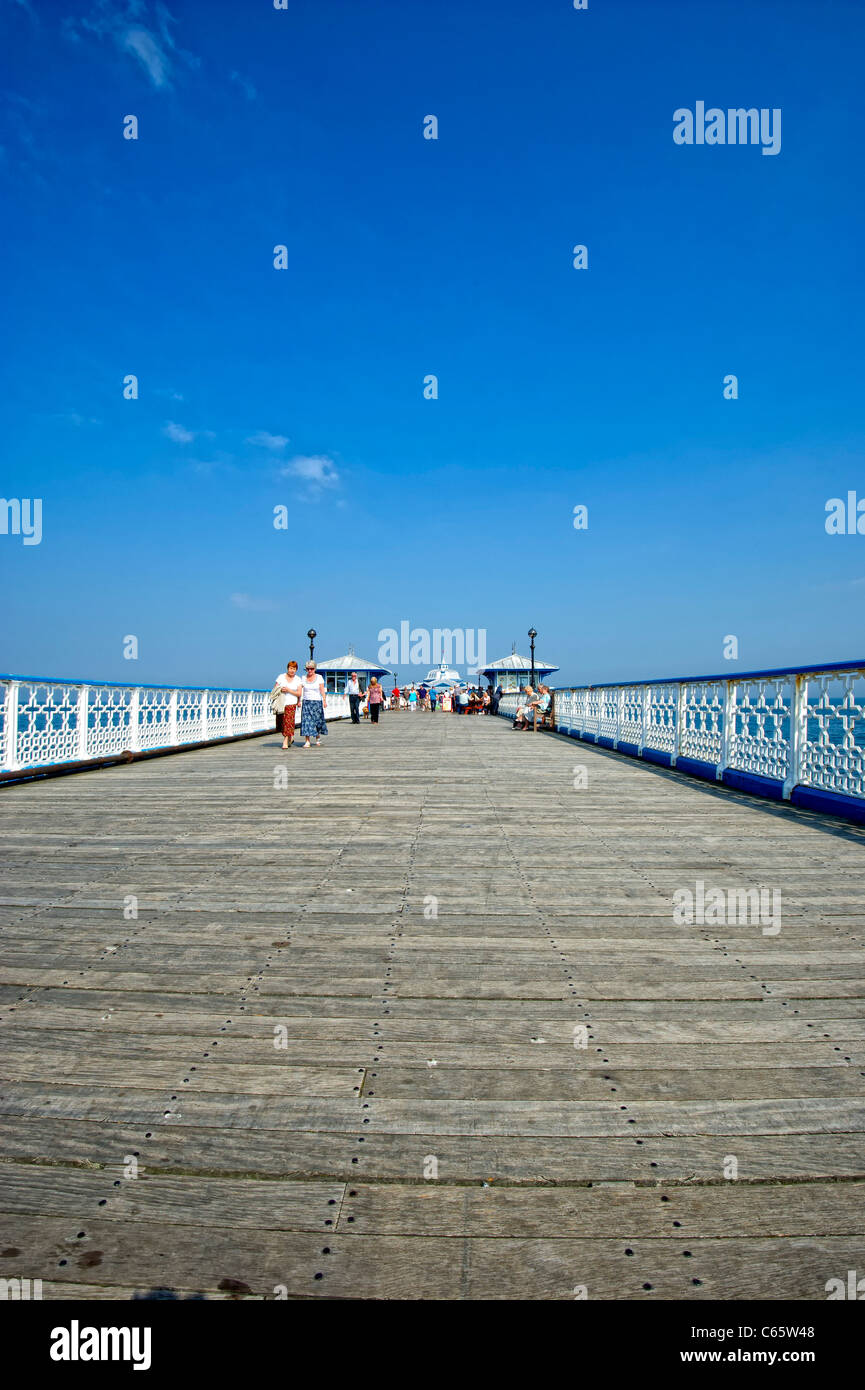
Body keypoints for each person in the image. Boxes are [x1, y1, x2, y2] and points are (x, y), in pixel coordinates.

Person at [271, 660, 302, 748]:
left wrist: (289, 690)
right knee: (282, 723)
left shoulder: (298, 679)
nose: (292, 670)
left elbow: (299, 693)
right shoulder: (281, 677)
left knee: (288, 722)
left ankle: (285, 741)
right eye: (291, 668)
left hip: (291, 703)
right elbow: (275, 689)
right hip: (281, 703)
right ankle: (290, 737)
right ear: (287, 668)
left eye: (294, 669)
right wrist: (280, 689)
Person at [300, 660, 327, 748]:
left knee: (317, 721)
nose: (310, 671)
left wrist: (324, 700)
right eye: (308, 669)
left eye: (311, 669)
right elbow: (300, 690)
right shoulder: (303, 678)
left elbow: (322, 690)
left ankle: (317, 737)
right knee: (306, 722)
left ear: (315, 669)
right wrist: (298, 701)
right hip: (306, 702)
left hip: (317, 702)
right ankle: (307, 741)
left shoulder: (319, 677)